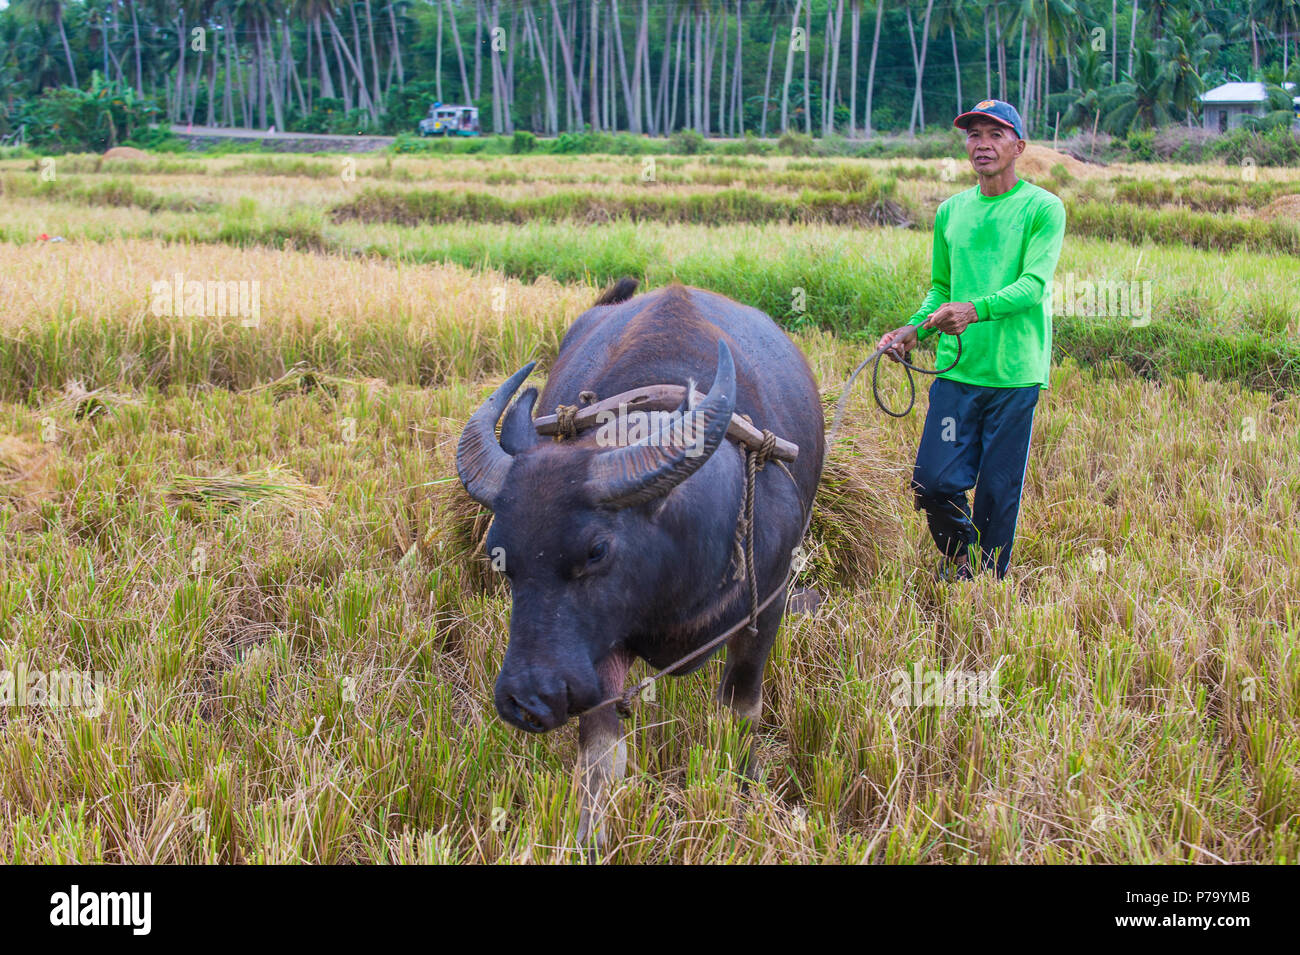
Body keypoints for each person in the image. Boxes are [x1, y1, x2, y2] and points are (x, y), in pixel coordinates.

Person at [876, 100, 1067, 581]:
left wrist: (974, 310)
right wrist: (913, 330)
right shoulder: (951, 212)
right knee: (934, 480)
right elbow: (942, 289)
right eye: (974, 134)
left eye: (995, 134)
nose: (982, 144)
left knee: (998, 489)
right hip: (956, 374)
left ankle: (983, 579)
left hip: (1013, 374)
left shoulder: (1042, 208)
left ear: (1018, 147)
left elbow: (1034, 286)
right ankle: (962, 555)